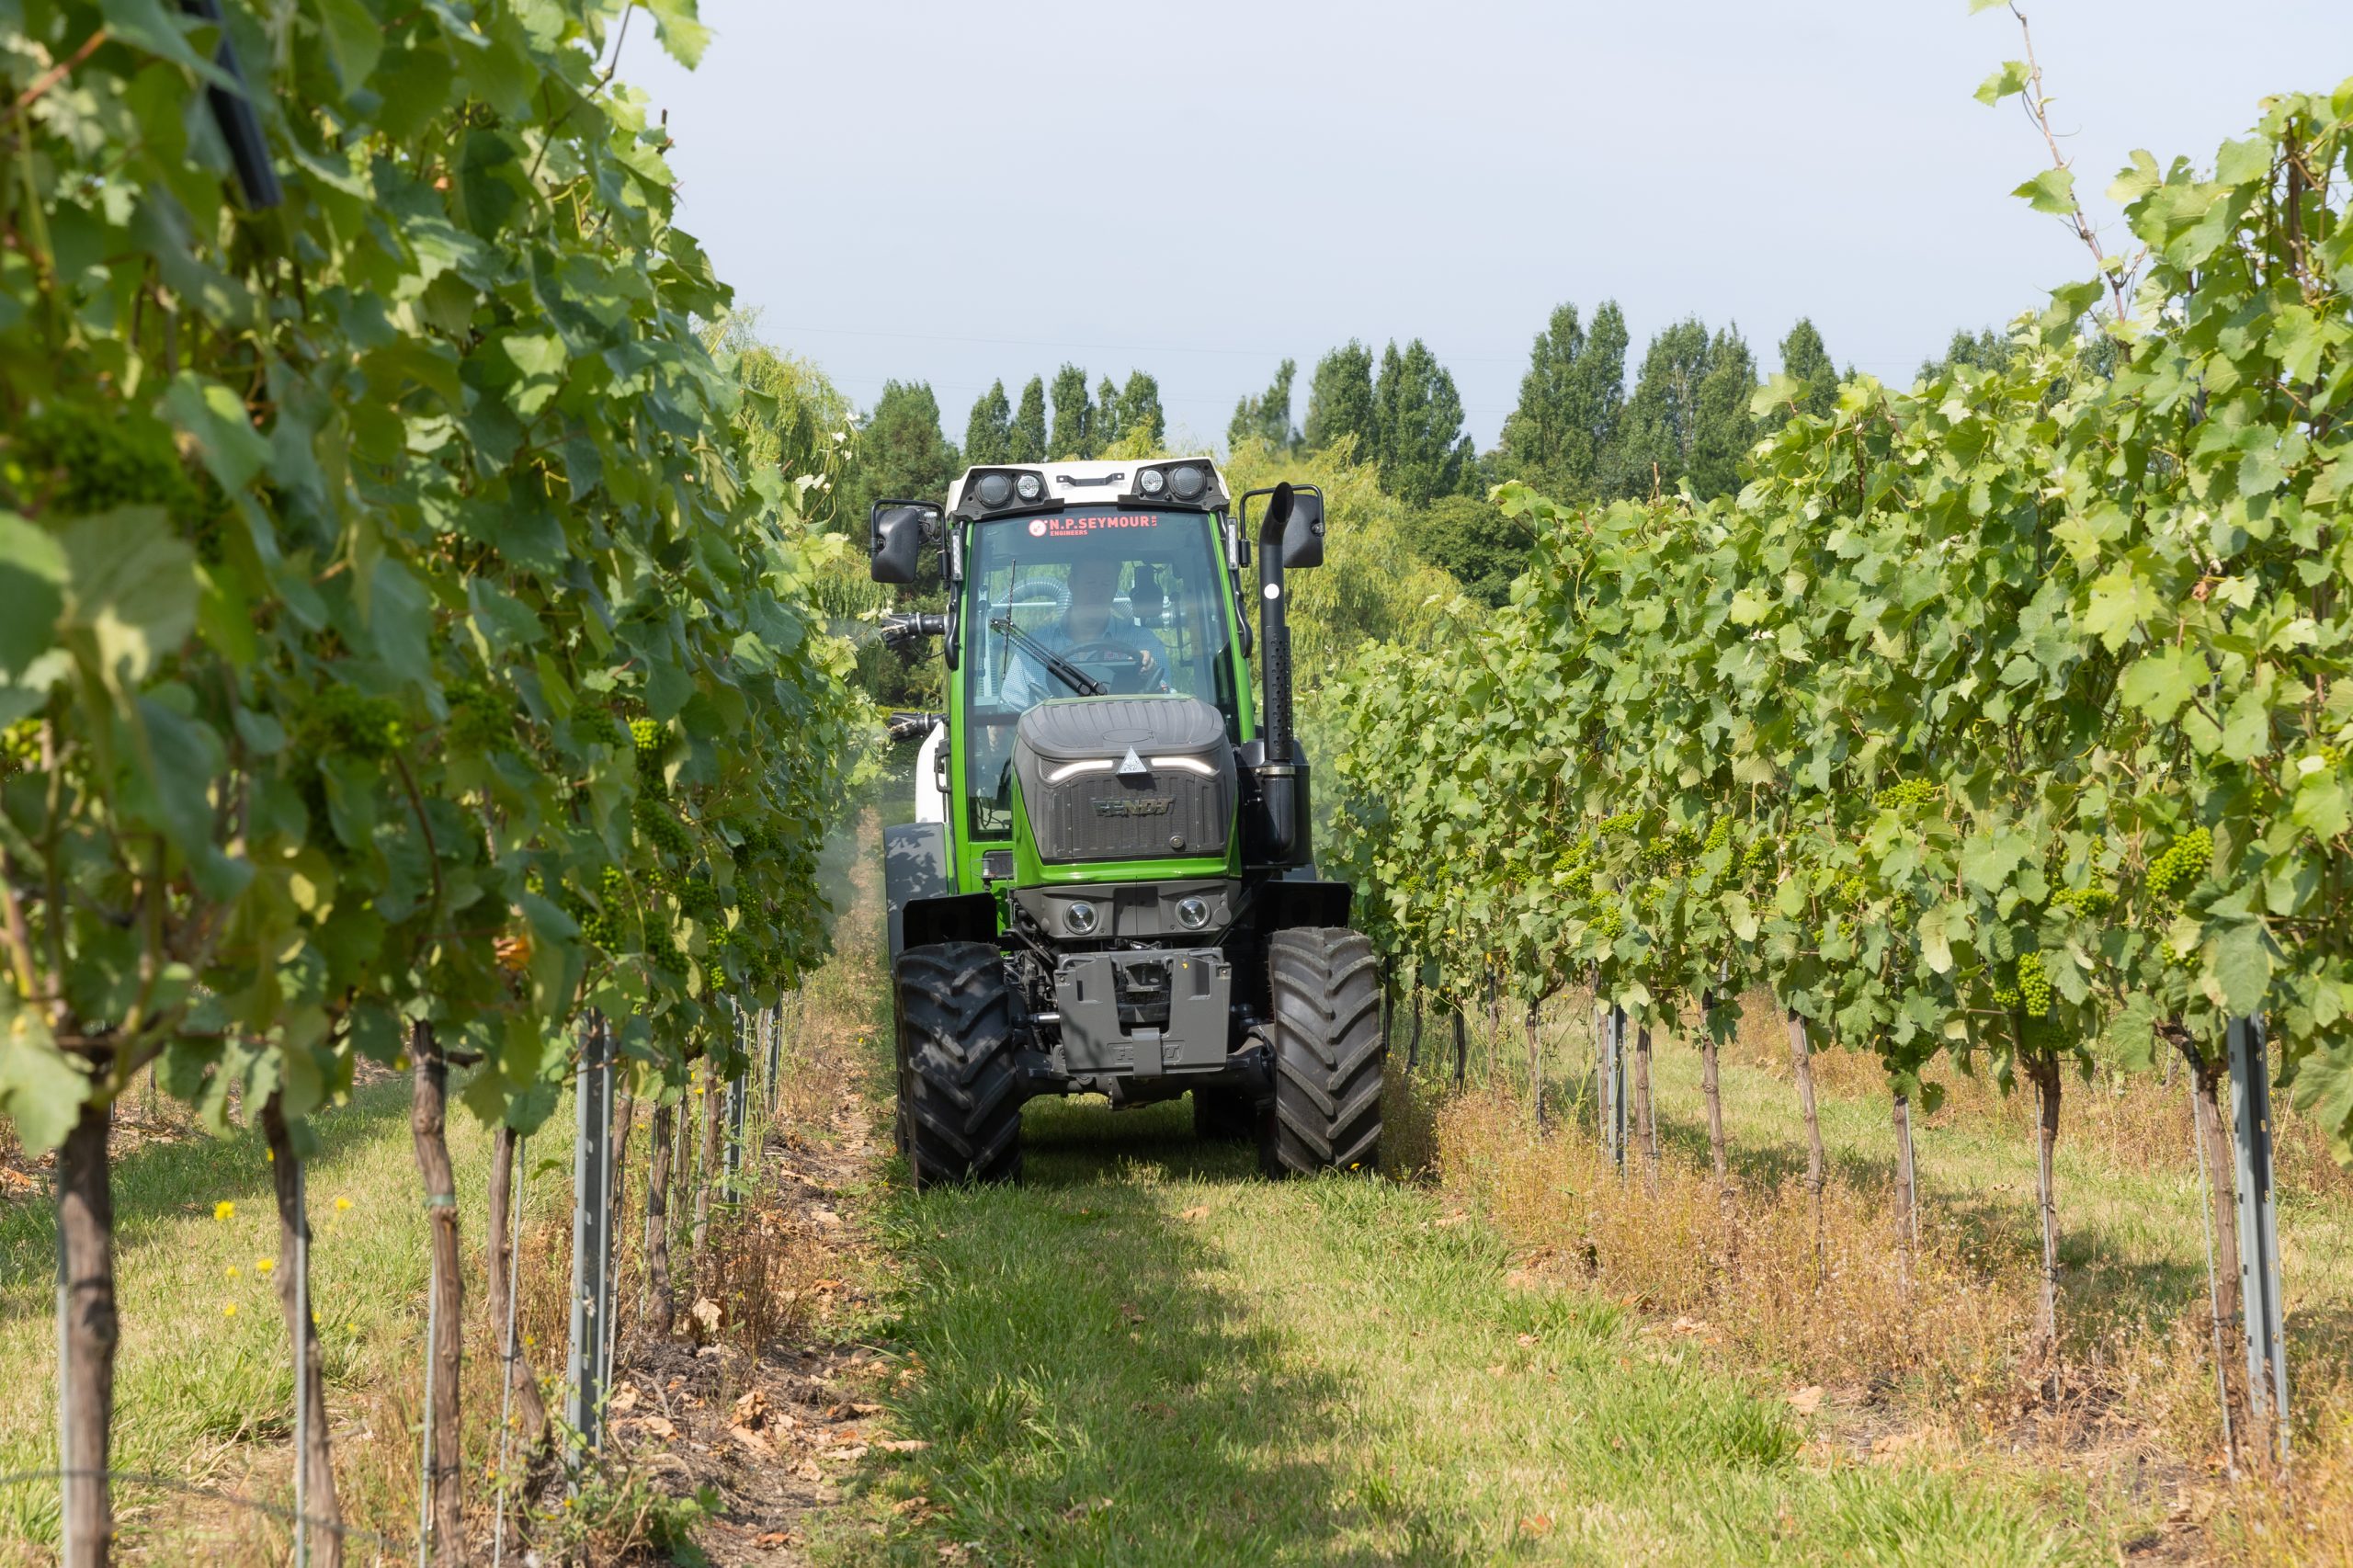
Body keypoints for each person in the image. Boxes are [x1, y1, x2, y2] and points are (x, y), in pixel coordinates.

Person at [998, 555, 1172, 710]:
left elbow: (1167, 705)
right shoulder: (1033, 648)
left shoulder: (1143, 642)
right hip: (1052, 744)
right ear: (1071, 583)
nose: (1097, 592)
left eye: (1106, 584)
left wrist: (1152, 675)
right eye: (1090, 583)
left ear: (1115, 588)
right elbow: (1011, 711)